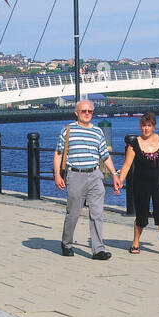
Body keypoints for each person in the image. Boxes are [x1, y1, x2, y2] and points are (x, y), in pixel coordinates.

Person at [53, 99, 118, 259]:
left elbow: (105, 155)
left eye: (90, 111)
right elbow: (59, 154)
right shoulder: (67, 130)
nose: (87, 114)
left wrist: (115, 174)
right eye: (84, 111)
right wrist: (56, 174)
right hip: (75, 175)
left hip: (95, 175)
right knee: (73, 213)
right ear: (76, 112)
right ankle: (66, 243)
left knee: (97, 213)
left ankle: (98, 250)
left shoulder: (97, 132)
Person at [118, 112, 159, 256]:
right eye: (143, 125)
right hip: (141, 184)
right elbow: (127, 165)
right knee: (141, 216)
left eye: (149, 126)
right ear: (140, 126)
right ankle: (135, 243)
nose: (146, 129)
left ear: (154, 126)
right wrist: (119, 182)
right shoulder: (134, 144)